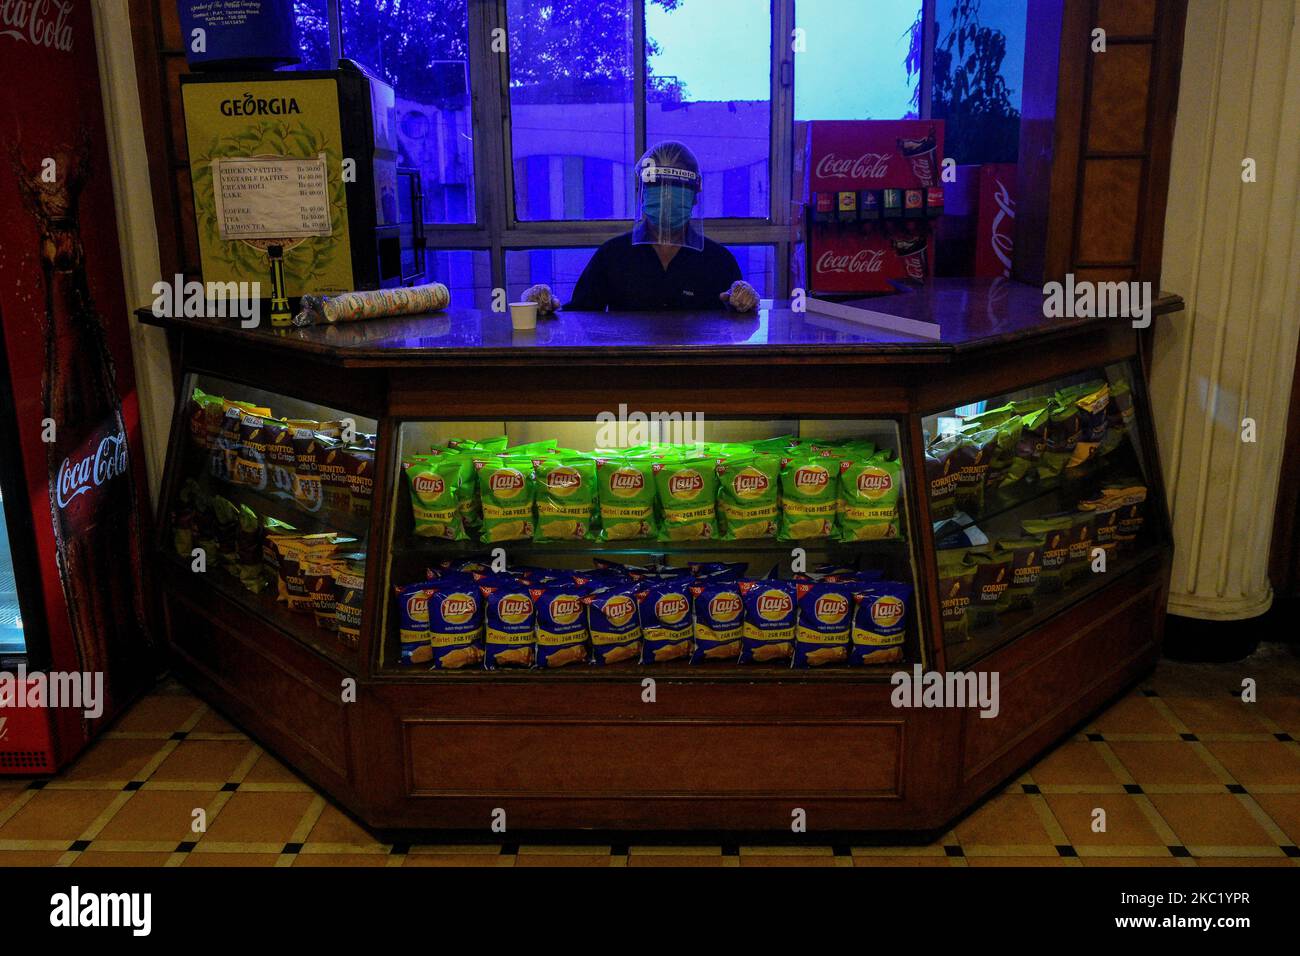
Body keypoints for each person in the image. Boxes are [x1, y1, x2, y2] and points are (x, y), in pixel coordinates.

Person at [522, 141, 760, 314]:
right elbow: (579, 319)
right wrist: (542, 308)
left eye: (676, 188)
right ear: (643, 194)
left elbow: (737, 328)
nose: (667, 198)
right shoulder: (613, 255)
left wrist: (746, 304)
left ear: (694, 196)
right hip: (627, 377)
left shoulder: (718, 261)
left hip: (695, 377)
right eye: (658, 187)